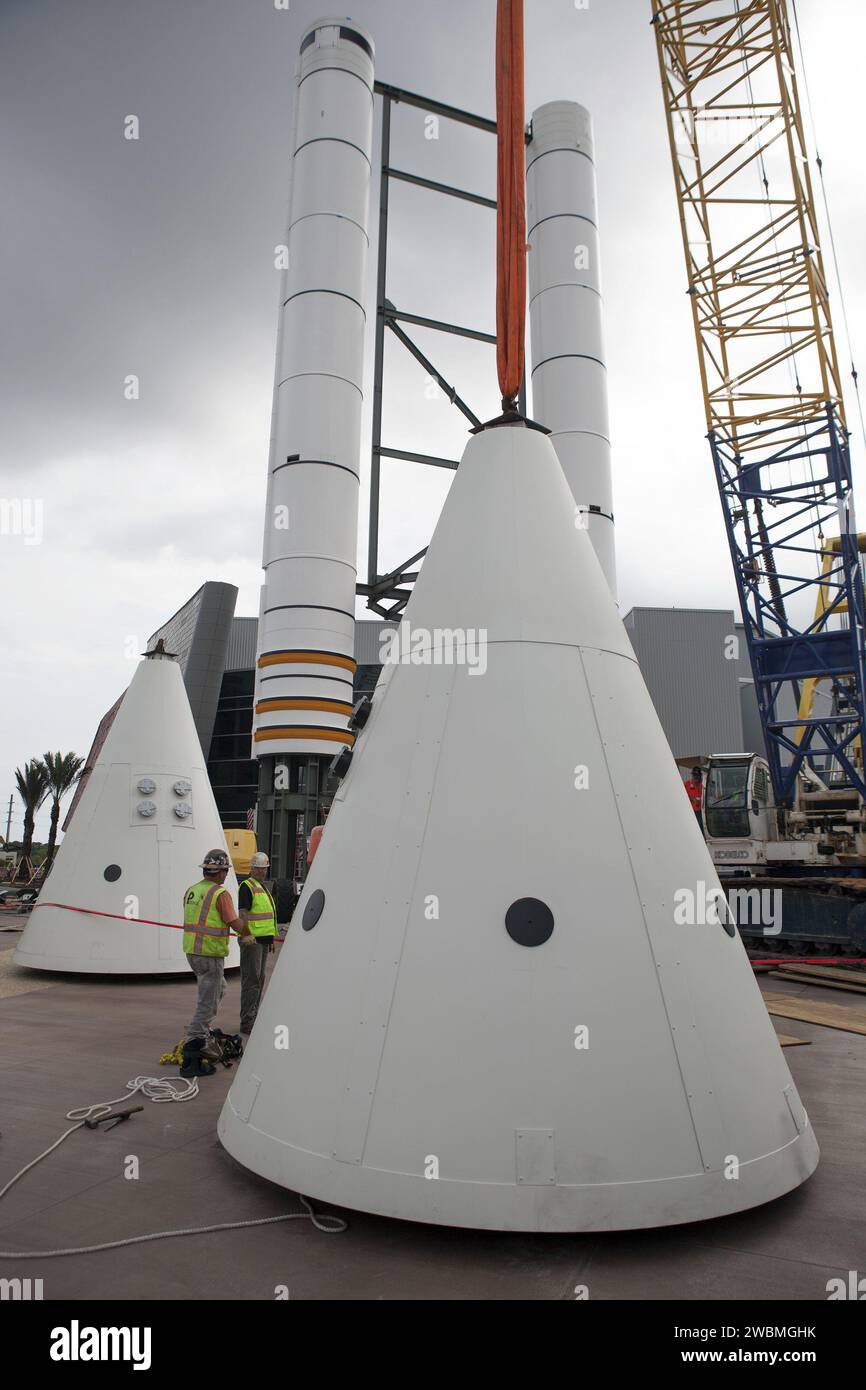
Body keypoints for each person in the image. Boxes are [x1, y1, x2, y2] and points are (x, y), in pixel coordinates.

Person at [181, 848, 255, 1075]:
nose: (225, 875)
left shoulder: (192, 890)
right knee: (208, 1001)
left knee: (218, 989)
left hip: (193, 951)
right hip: (210, 953)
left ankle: (202, 1028)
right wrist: (247, 933)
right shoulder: (219, 894)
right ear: (221, 872)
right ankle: (195, 1044)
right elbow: (233, 919)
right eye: (225, 871)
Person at [237, 851, 277, 1034]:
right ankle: (247, 1021)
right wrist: (246, 935)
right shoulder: (247, 886)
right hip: (252, 943)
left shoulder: (262, 888)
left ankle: (253, 1017)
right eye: (259, 869)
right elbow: (243, 913)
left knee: (259, 980)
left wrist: (271, 940)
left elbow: (267, 918)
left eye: (264, 869)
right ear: (252, 869)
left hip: (262, 941)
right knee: (251, 981)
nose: (262, 872)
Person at [684, 766, 704, 830]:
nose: (696, 777)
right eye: (694, 775)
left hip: (703, 811)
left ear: (700, 775)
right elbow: (682, 797)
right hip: (692, 811)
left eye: (697, 775)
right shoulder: (686, 784)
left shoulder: (704, 784)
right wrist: (692, 799)